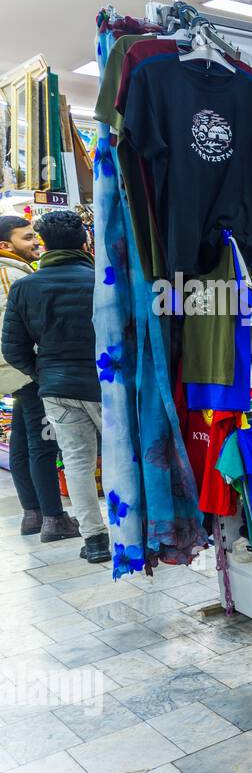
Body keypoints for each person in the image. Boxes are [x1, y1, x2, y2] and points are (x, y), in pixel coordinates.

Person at [2, 210, 108, 563]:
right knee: (123, 458)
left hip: (57, 389)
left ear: (46, 243)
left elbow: (13, 347)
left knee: (77, 463)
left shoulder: (25, 286)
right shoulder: (101, 280)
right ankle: (134, 534)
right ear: (83, 241)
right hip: (106, 385)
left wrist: (43, 373)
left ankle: (94, 541)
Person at [0, 214, 79, 541]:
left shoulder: (14, 271)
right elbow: (16, 330)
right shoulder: (10, 274)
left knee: (22, 439)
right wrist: (39, 366)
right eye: (27, 237)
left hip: (14, 374)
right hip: (27, 371)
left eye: (35, 236)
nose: (36, 242)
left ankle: (32, 515)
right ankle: (53, 518)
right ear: (6, 245)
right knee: (43, 443)